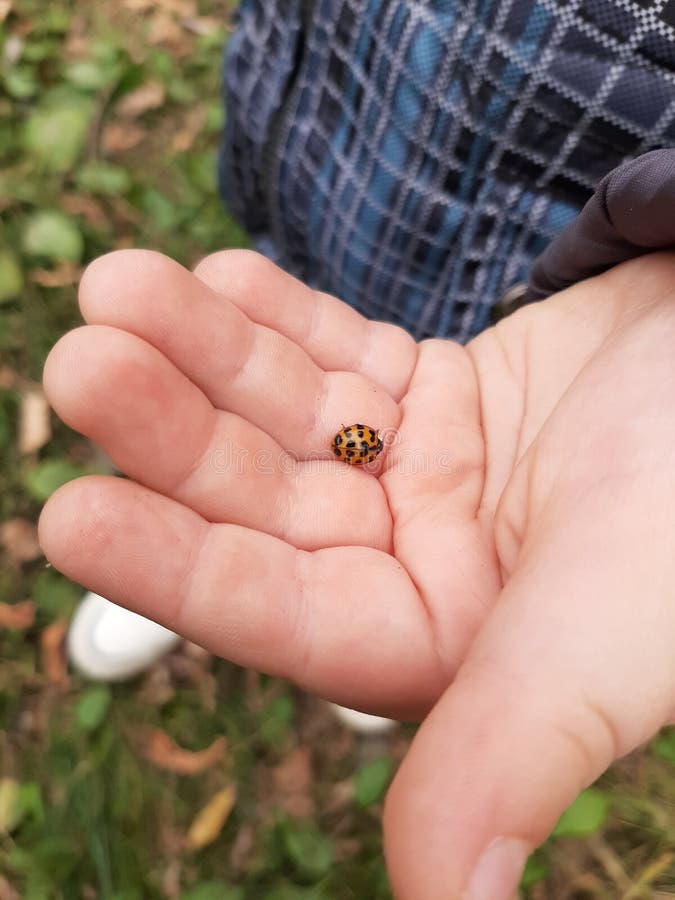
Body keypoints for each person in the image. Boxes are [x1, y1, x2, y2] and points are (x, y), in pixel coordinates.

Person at [40, 1, 675, 897]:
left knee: (284, 431)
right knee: (254, 358)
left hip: (546, 268)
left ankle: (337, 600)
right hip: (327, 142)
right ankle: (202, 537)